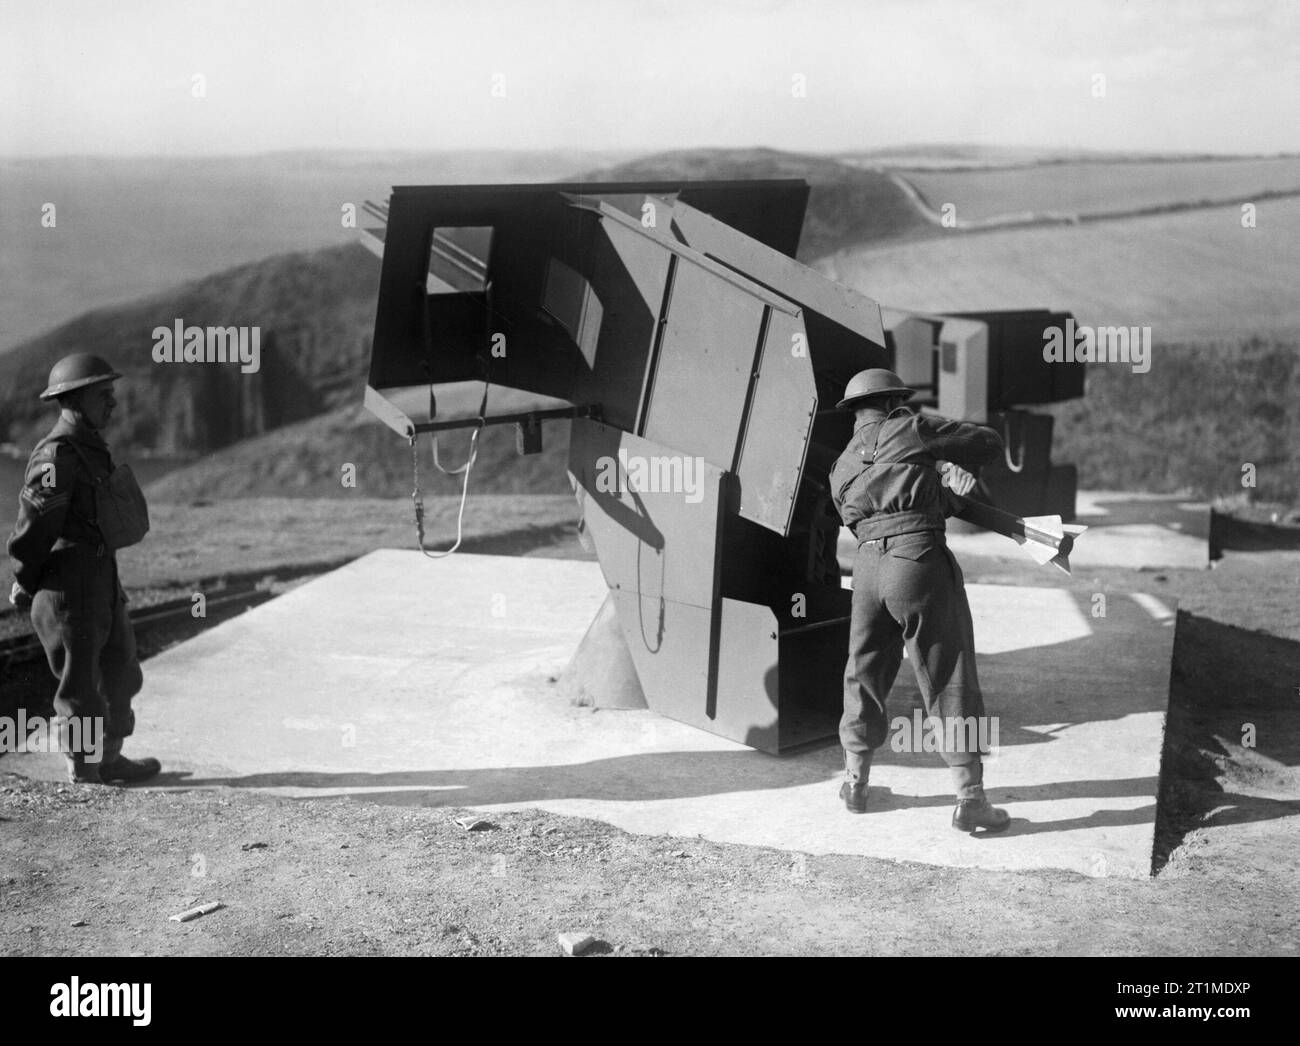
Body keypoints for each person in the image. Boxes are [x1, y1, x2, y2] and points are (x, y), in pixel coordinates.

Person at [829, 368, 1009, 833]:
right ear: (894, 403)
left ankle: (855, 785)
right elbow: (986, 443)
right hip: (918, 563)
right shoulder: (911, 429)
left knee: (863, 672)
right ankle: (971, 799)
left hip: (867, 572)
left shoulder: (840, 466)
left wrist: (937, 479)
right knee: (949, 675)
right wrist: (949, 461)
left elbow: (878, 513)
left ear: (854, 412)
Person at [7, 353, 160, 785]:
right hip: (69, 590)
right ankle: (85, 770)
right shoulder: (55, 457)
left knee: (120, 671)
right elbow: (36, 527)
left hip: (101, 580)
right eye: (103, 395)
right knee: (80, 687)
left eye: (111, 394)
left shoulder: (90, 447)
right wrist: (24, 579)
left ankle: (109, 757)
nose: (113, 403)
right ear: (73, 400)